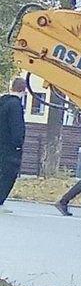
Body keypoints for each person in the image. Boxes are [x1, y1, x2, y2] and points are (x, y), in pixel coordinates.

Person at [0, 78, 24, 212]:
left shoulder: (2, 102)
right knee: (9, 174)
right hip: (9, 147)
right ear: (23, 91)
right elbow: (17, 127)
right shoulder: (15, 105)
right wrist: (18, 144)